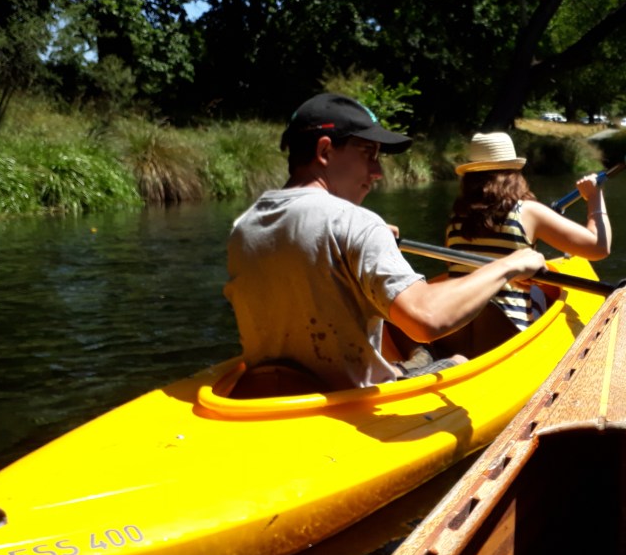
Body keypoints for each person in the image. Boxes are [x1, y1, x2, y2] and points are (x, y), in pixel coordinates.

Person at [223, 94, 546, 391]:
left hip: (275, 395)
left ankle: (416, 361)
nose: (376, 171)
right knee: (460, 360)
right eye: (368, 154)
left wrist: (366, 244)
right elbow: (426, 319)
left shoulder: (245, 226)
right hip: (353, 403)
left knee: (419, 357)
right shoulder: (356, 223)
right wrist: (511, 264)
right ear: (324, 151)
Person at [445, 131, 611, 331]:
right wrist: (594, 197)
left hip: (456, 327)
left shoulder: (455, 220)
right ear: (514, 174)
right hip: (507, 330)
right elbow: (599, 247)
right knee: (542, 295)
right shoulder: (527, 212)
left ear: (470, 178)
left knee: (537, 292)